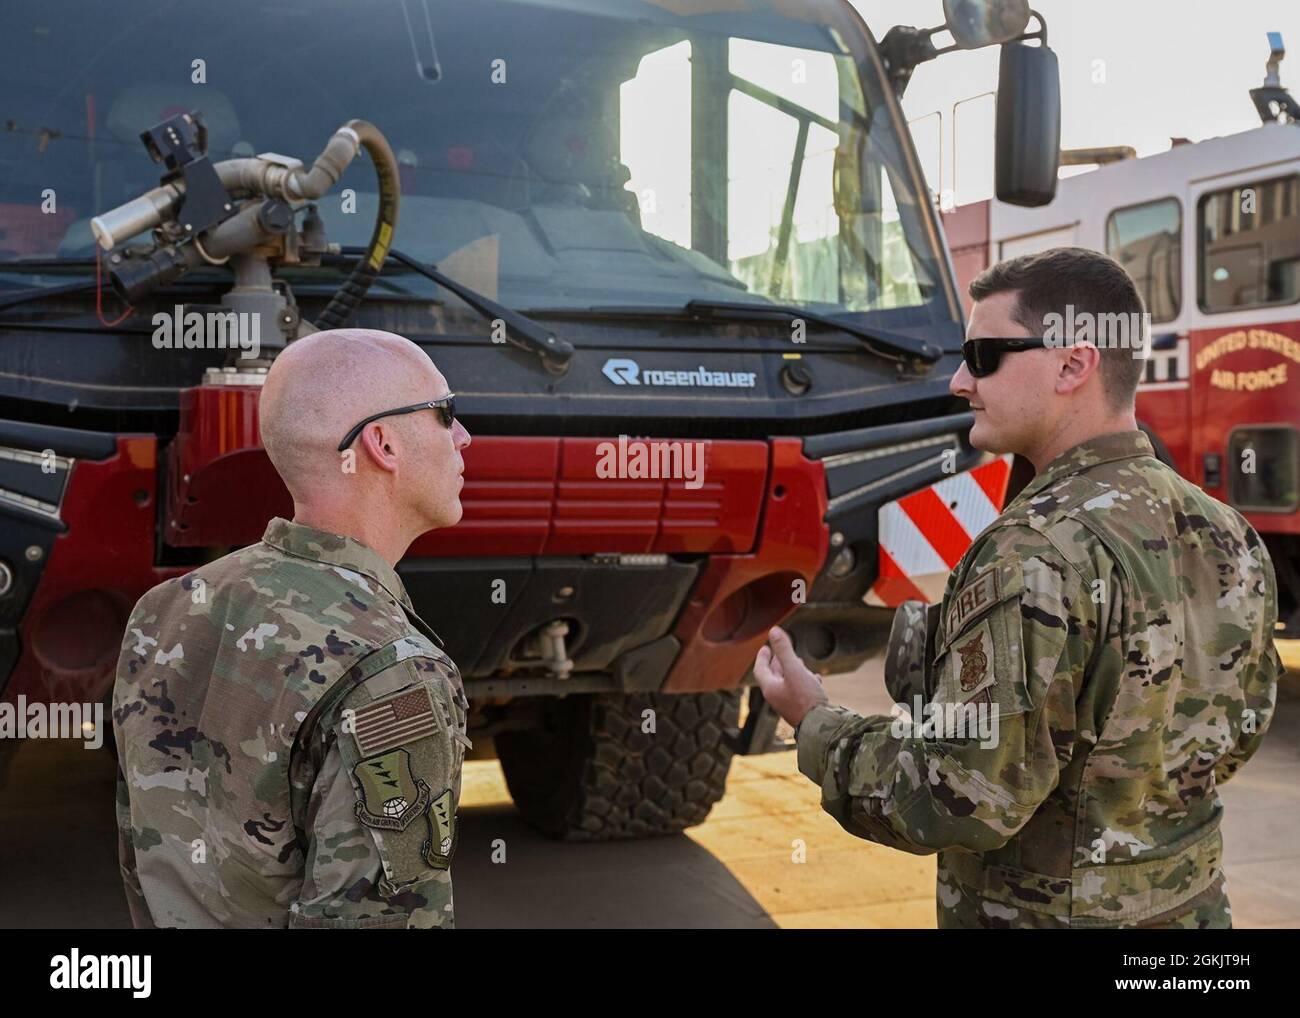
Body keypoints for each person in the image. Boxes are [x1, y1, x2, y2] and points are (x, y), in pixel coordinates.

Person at [754, 247, 1283, 929]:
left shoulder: (1035, 549)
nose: (957, 382)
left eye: (982, 357)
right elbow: (1228, 737)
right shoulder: (1227, 531)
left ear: (1073, 364)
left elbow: (955, 801)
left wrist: (814, 719)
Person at [112, 328, 473, 928]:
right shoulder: (393, 671)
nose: (464, 436)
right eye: (446, 414)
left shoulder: (167, 607)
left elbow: (145, 854)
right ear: (382, 443)